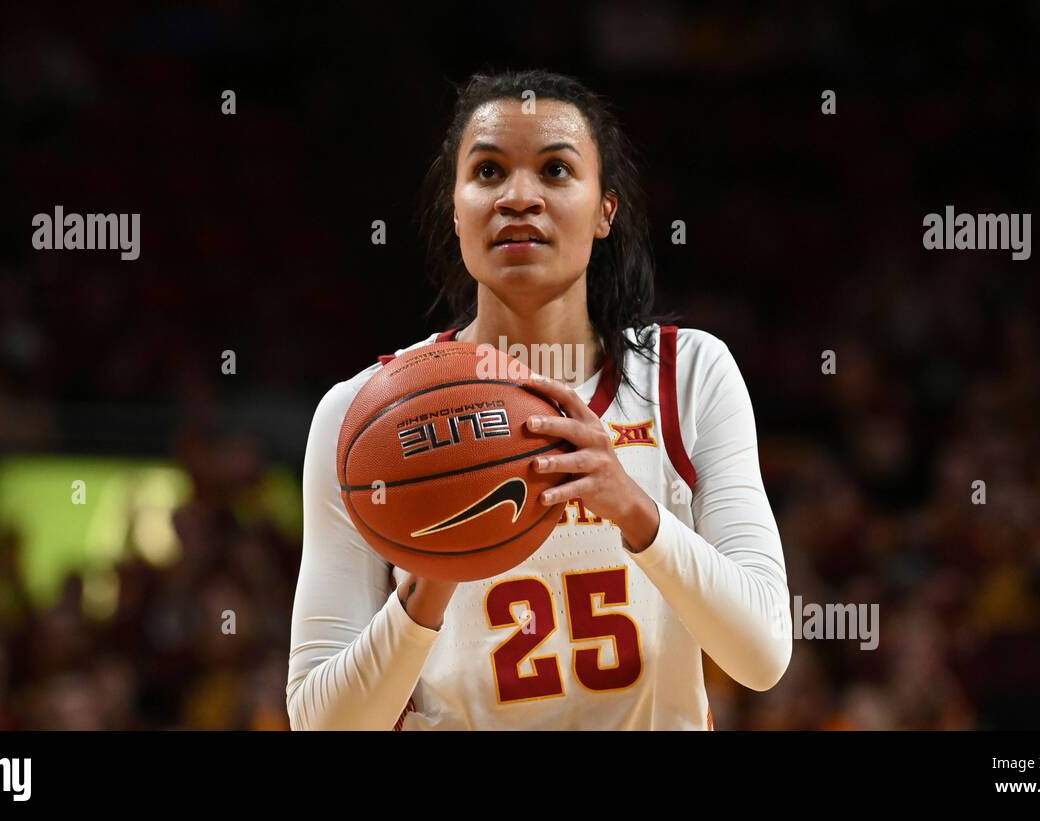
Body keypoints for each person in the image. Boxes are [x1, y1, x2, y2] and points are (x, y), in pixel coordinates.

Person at [287, 69, 791, 730]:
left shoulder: (686, 375)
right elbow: (321, 723)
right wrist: (428, 588)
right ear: (455, 207)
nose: (519, 197)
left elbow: (762, 656)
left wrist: (638, 514)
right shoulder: (359, 419)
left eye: (555, 170)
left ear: (605, 209)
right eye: (489, 172)